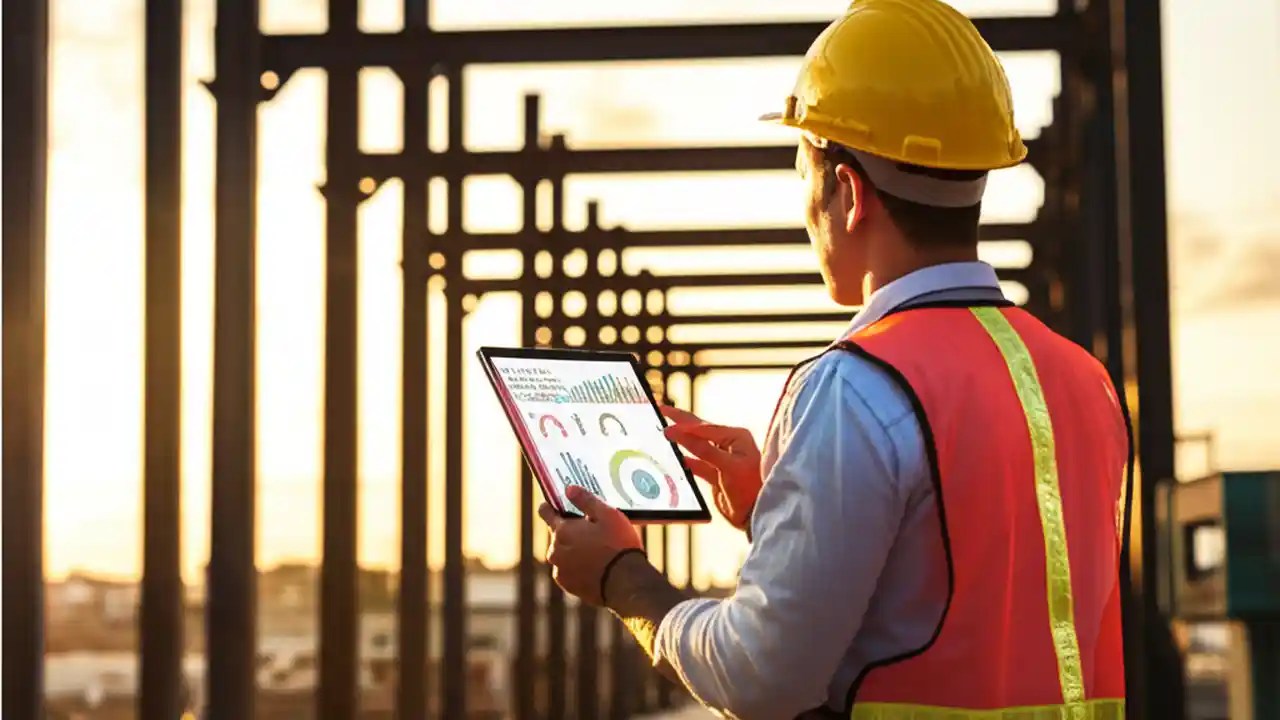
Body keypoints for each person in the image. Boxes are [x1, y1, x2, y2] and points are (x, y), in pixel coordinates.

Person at [537, 1, 1132, 718]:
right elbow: (974, 586)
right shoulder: (1081, 379)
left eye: (802, 173)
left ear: (847, 193)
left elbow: (761, 677)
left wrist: (622, 578)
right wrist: (777, 509)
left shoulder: (856, 388)